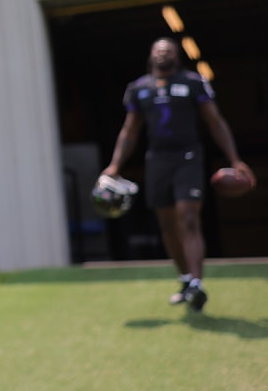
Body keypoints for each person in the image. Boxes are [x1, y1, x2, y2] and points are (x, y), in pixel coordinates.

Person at [102, 37, 256, 311]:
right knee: (167, 223)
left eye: (169, 50)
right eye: (159, 50)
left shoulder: (193, 83)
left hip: (188, 157)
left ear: (177, 56)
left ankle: (197, 282)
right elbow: (130, 131)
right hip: (157, 160)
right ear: (151, 55)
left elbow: (215, 122)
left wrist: (235, 159)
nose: (163, 53)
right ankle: (185, 279)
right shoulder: (139, 89)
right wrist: (115, 165)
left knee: (188, 217)